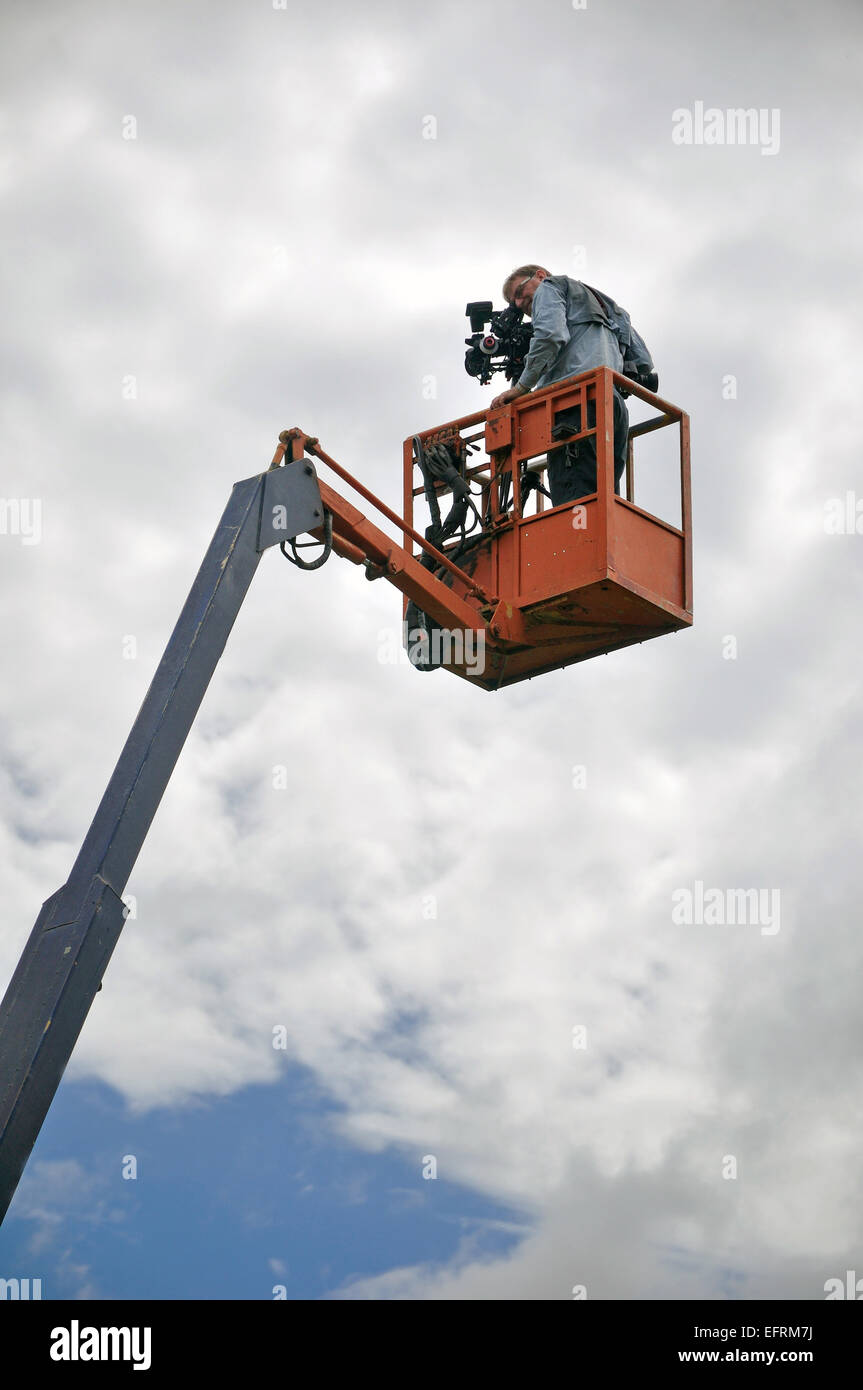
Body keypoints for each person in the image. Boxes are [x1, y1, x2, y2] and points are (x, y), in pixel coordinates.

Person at [490, 265, 655, 508]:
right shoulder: (611, 308)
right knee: (604, 499)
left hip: (573, 405)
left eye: (518, 291)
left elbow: (550, 335)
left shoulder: (550, 287)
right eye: (513, 302)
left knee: (574, 502)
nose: (518, 303)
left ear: (539, 275)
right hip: (612, 407)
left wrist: (521, 387)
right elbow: (643, 363)